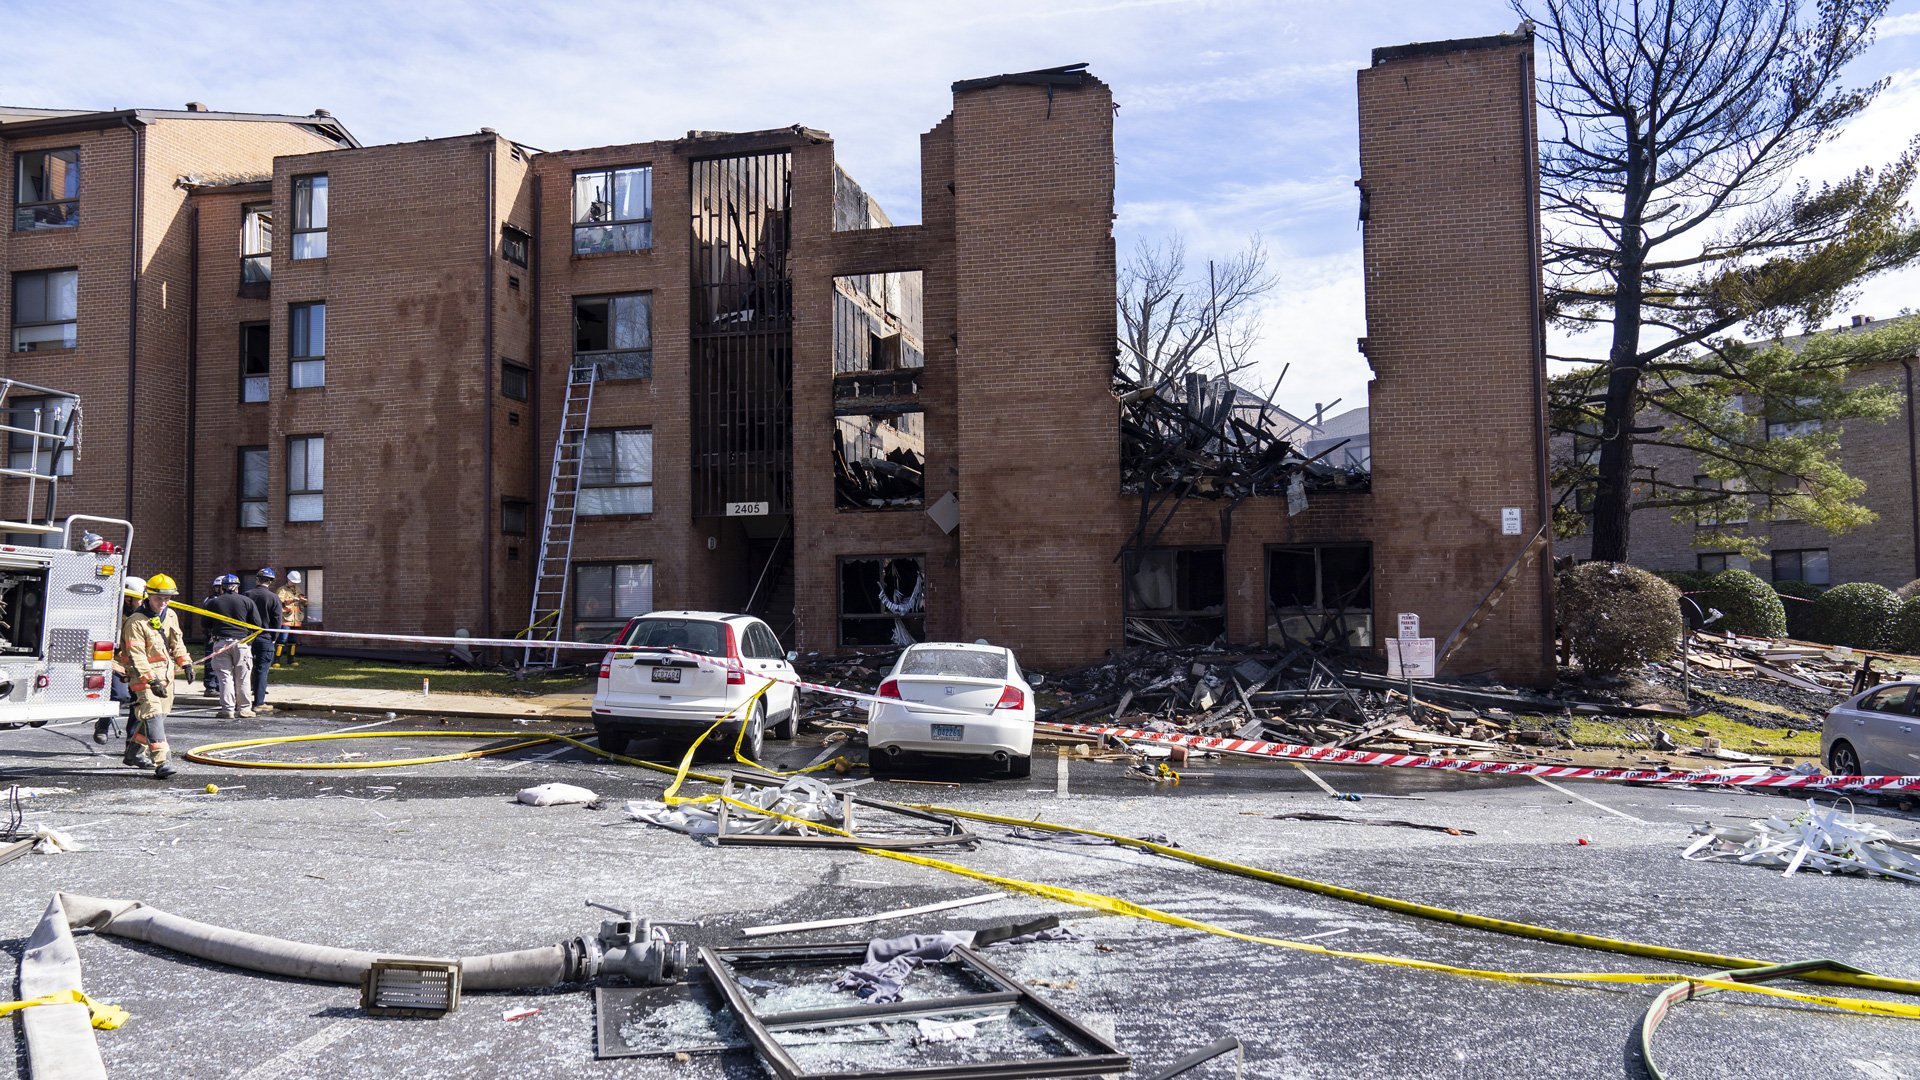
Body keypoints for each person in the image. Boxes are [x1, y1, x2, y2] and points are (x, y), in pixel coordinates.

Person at [116, 574, 192, 779]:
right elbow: (137, 656)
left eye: (167, 598)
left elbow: (177, 642)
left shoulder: (171, 615)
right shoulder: (136, 622)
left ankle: (133, 753)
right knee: (153, 715)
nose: (163, 602)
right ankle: (163, 761)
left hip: (166, 676)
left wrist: (186, 663)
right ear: (148, 596)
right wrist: (151, 680)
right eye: (159, 598)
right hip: (143, 677)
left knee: (159, 715)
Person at [96, 575, 145, 745]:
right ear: (127, 598)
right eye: (139, 599)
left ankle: (132, 743)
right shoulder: (112, 617)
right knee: (119, 695)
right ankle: (102, 725)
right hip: (117, 663)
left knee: (139, 701)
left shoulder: (144, 616)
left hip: (137, 665)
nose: (143, 603)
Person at [203, 574, 259, 719]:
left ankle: (227, 709)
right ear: (237, 587)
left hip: (221, 643)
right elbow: (257, 624)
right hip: (241, 643)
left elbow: (205, 624)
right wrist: (249, 640)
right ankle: (244, 709)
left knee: (225, 677)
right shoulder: (247, 601)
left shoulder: (213, 603)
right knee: (243, 677)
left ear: (222, 587)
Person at [242, 568, 282, 710]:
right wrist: (274, 638)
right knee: (261, 670)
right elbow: (277, 620)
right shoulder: (274, 598)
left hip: (247, 638)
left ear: (257, 579)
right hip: (265, 638)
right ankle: (259, 703)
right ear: (270, 582)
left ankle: (240, 702)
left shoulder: (246, 595)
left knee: (243, 670)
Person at [275, 570, 307, 667]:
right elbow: (279, 601)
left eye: (296, 582)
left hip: (296, 620)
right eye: (293, 581)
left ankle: (291, 660)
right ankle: (276, 661)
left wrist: (304, 600)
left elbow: (304, 604)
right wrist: (293, 599)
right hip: (286, 619)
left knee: (292, 641)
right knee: (282, 640)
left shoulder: (298, 590)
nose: (294, 583)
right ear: (288, 579)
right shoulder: (282, 590)